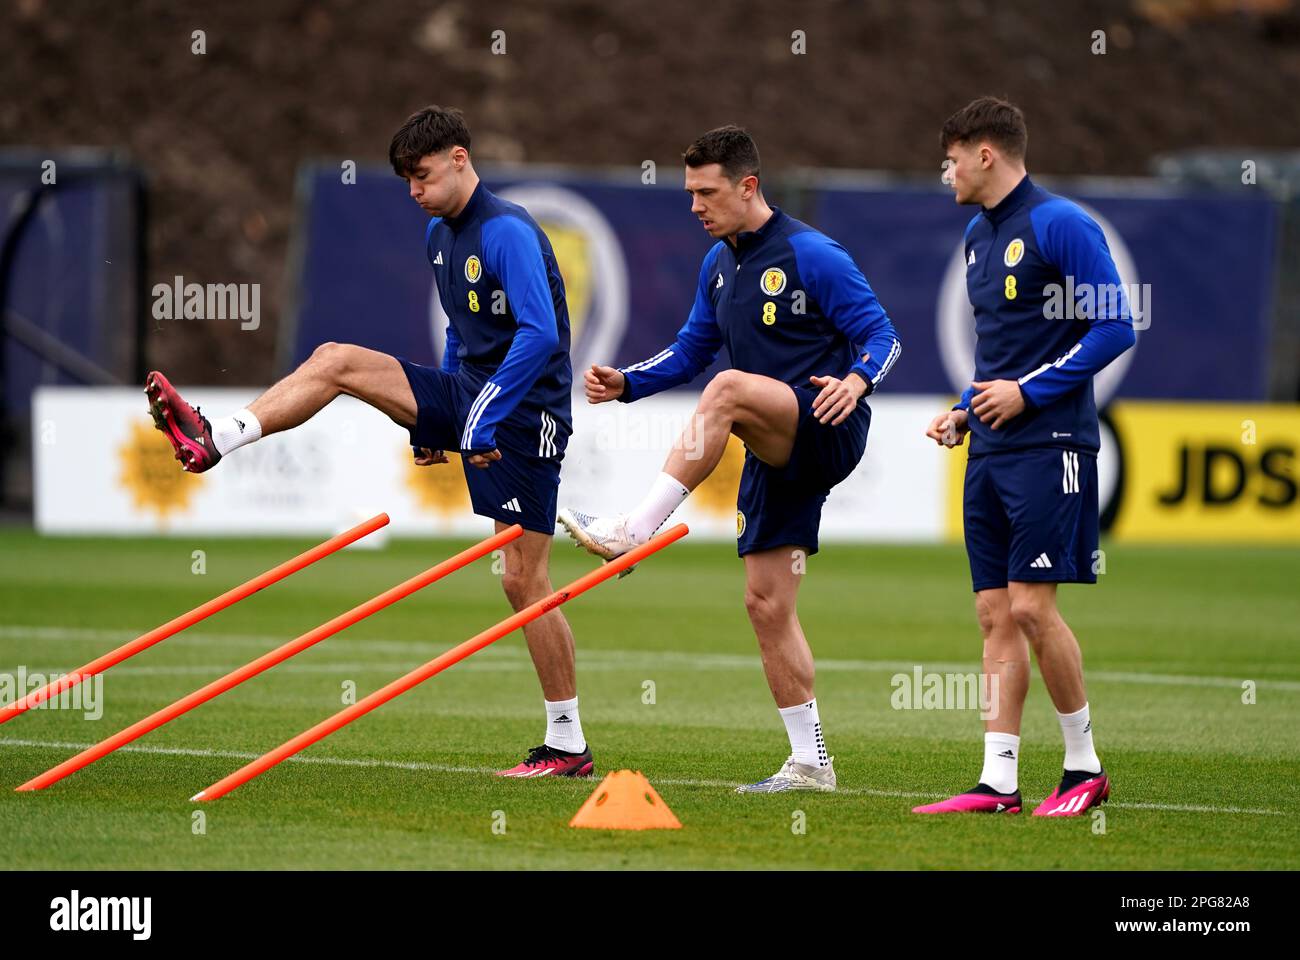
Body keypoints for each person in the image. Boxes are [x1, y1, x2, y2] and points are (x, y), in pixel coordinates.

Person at [146, 105, 595, 779]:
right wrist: (430, 420)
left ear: (460, 160)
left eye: (422, 176)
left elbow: (540, 336)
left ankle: (568, 745)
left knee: (523, 580)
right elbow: (459, 331)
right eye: (405, 181)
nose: (414, 191)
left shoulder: (507, 232)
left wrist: (478, 419)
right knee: (334, 360)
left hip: (526, 415)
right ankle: (216, 437)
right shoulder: (440, 237)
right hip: (470, 397)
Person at [559, 125, 901, 794]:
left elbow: (883, 336)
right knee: (766, 604)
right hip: (774, 447)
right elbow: (690, 351)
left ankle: (636, 530)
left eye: (706, 191)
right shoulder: (718, 265)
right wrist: (627, 382)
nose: (693, 205)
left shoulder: (812, 254)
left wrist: (856, 382)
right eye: (689, 192)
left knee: (726, 391)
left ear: (748, 186)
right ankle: (811, 764)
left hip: (828, 424)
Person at [916, 96, 1135, 816]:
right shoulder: (980, 237)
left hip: (1052, 445)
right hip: (993, 451)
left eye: (951, 157)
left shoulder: (1061, 223)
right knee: (993, 614)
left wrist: (1028, 394)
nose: (943, 170)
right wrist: (962, 409)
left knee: (1035, 610)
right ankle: (998, 781)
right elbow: (997, 355)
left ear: (986, 154)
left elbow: (1114, 326)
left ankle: (1084, 769)